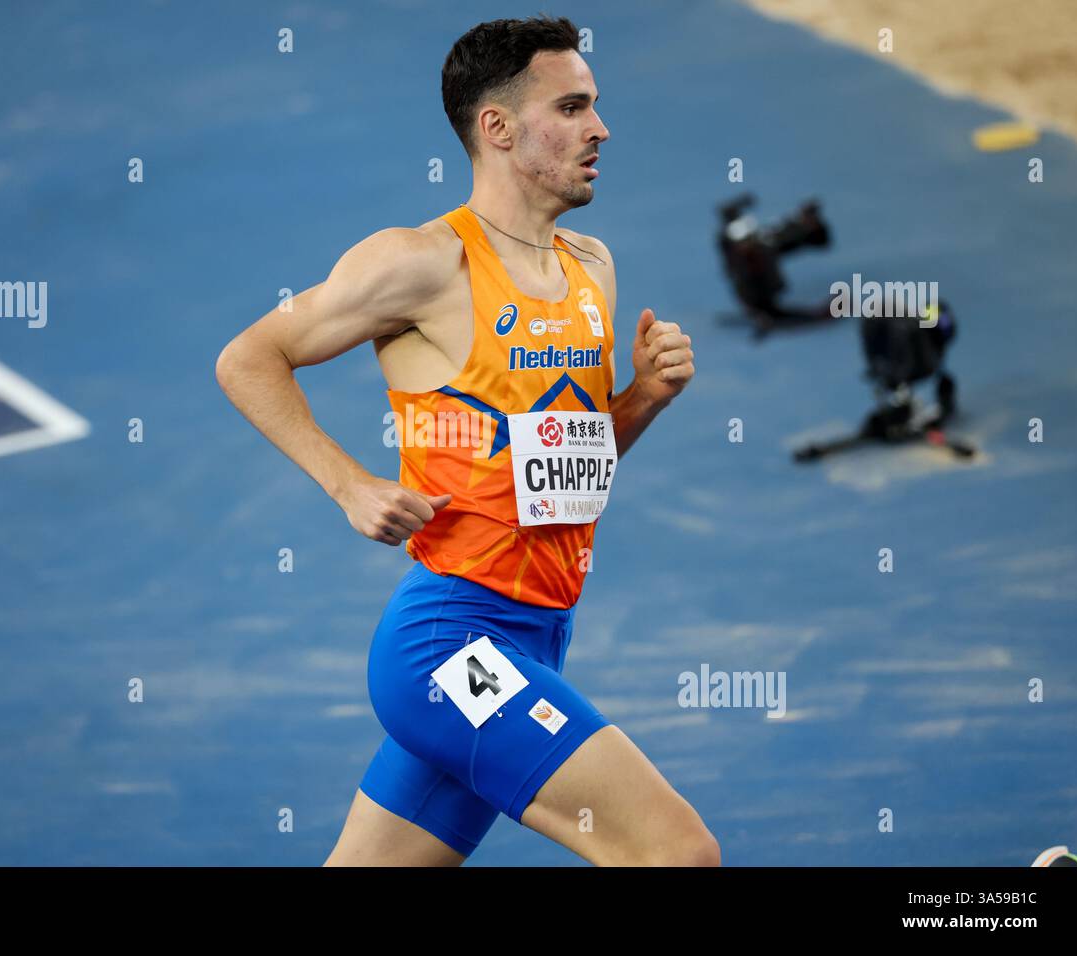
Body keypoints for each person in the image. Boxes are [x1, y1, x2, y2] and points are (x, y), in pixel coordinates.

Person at [216, 15, 716, 867]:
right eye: (573, 107)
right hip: (450, 647)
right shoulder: (421, 264)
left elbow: (569, 470)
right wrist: (349, 485)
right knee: (676, 854)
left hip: (535, 638)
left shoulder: (590, 267)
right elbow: (249, 358)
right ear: (499, 128)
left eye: (594, 105)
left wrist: (644, 399)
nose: (601, 129)